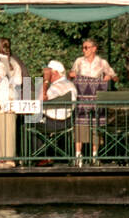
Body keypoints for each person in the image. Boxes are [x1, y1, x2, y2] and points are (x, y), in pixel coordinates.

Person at [70, 37, 116, 165]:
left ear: (94, 48)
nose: (84, 50)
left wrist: (108, 77)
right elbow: (71, 74)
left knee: (95, 127)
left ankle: (95, 155)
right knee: (80, 126)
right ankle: (78, 155)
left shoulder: (102, 62)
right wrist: (75, 75)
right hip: (82, 98)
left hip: (96, 99)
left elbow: (114, 76)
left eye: (86, 47)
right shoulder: (79, 61)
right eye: (83, 47)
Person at [39, 60, 77, 165]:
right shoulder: (70, 84)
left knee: (27, 123)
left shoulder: (56, 87)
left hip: (53, 122)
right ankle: (57, 155)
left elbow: (41, 98)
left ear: (54, 73)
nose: (45, 73)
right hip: (67, 122)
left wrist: (46, 80)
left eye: (47, 71)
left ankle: (39, 157)